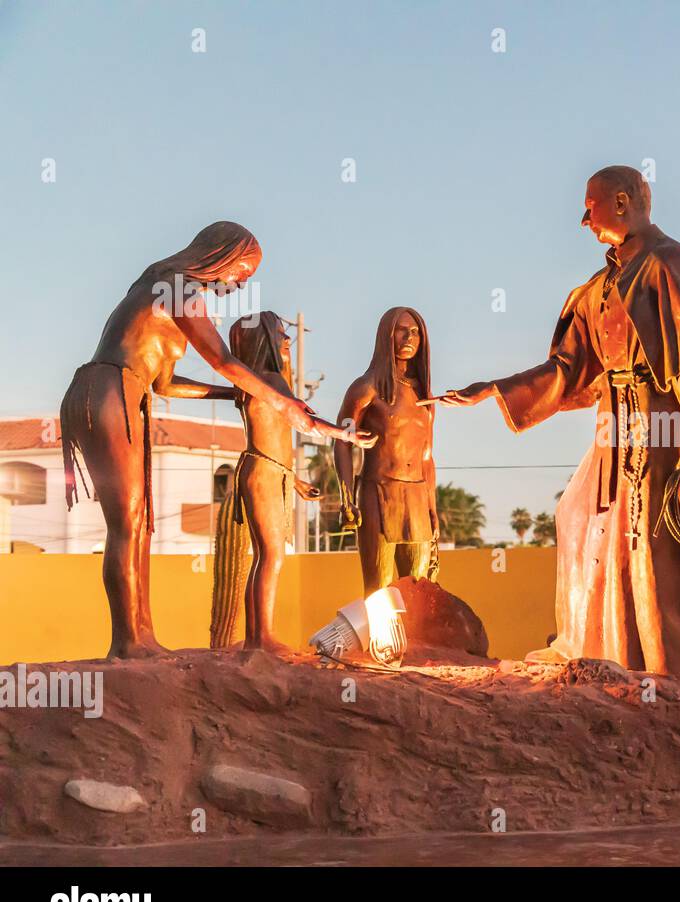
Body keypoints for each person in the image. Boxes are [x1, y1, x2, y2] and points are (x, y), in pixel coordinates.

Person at [443, 166, 680, 680]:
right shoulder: (598, 288)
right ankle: (607, 648)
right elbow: (568, 369)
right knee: (581, 519)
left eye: (590, 206)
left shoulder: (666, 264)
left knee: (655, 539)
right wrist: (493, 389)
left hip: (661, 424)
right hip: (612, 426)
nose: (584, 218)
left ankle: (675, 665)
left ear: (623, 202)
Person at [61, 222, 321, 659]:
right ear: (221, 255)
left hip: (126, 391)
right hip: (110, 390)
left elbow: (164, 382)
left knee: (139, 522)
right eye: (244, 269)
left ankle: (141, 636)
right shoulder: (176, 287)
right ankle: (126, 642)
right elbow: (220, 359)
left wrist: (229, 393)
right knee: (126, 522)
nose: (244, 281)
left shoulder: (164, 289)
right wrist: (283, 403)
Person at [228, 312, 375, 655]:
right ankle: (261, 637)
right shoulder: (271, 382)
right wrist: (345, 433)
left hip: (268, 470)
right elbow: (306, 422)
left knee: (264, 555)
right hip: (265, 472)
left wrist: (293, 480)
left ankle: (257, 635)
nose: (287, 339)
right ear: (263, 340)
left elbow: (269, 439)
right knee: (272, 556)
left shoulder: (254, 382)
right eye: (279, 333)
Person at [335, 307, 440, 592]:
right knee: (378, 587)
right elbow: (342, 442)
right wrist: (347, 498)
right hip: (378, 493)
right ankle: (378, 639)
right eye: (401, 330)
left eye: (415, 332)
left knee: (419, 588)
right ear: (386, 336)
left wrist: (432, 508)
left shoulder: (425, 396)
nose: (409, 337)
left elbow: (427, 457)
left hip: (417, 497)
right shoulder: (366, 387)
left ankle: (412, 639)